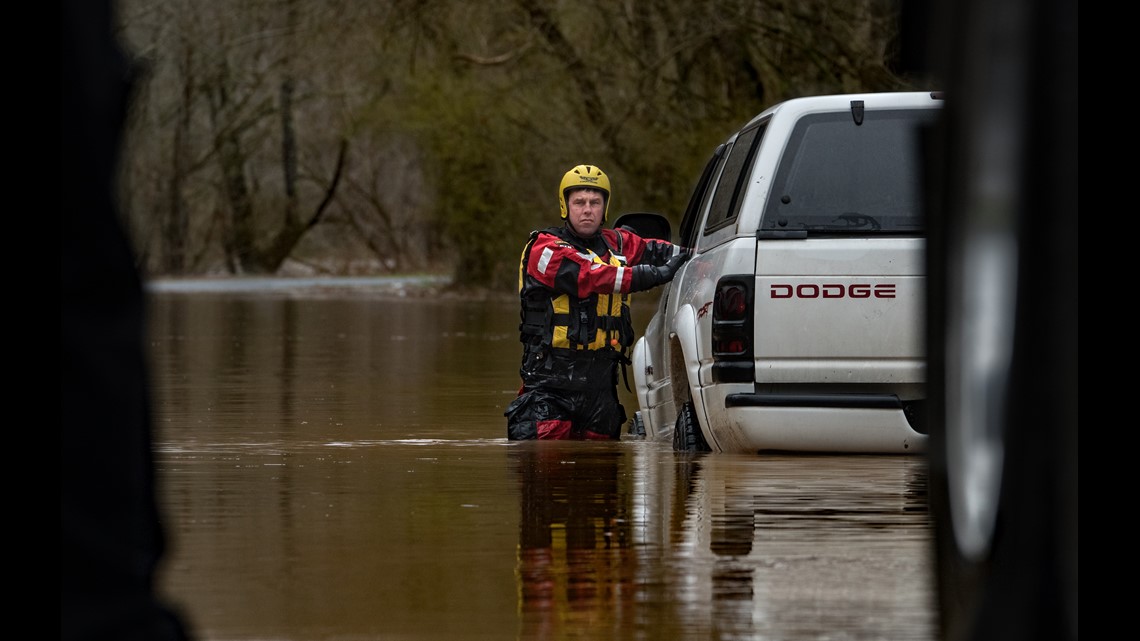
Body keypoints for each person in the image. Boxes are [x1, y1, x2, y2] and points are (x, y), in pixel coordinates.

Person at [505, 164, 690, 441]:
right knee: (544, 466)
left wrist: (696, 256)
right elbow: (589, 275)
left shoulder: (620, 243)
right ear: (565, 206)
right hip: (549, 388)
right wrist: (654, 275)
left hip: (601, 388)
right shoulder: (544, 249)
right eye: (579, 202)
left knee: (602, 476)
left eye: (595, 202)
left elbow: (664, 251)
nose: (587, 209)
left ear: (605, 208)